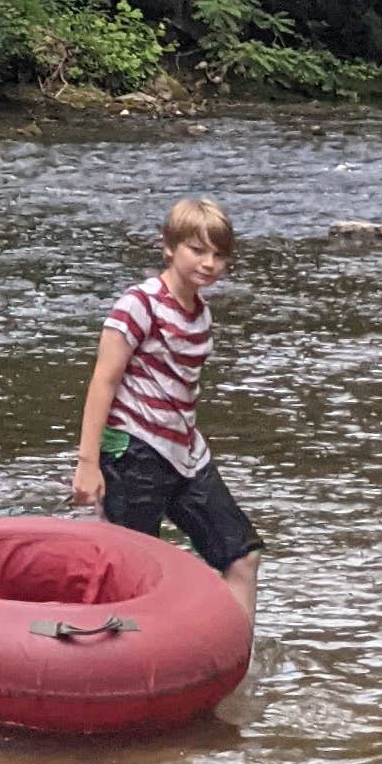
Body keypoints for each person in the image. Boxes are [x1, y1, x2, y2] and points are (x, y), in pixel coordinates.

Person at [71, 194, 261, 618]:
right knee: (135, 576)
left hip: (186, 455)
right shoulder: (139, 305)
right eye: (197, 250)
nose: (209, 263)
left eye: (219, 255)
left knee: (242, 557)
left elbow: (182, 390)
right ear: (169, 247)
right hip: (134, 453)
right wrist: (88, 462)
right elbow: (103, 381)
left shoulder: (202, 315)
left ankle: (231, 668)